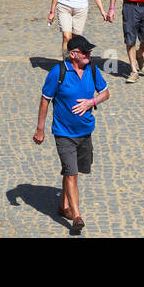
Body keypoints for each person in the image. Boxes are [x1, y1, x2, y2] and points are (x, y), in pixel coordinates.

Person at [34, 34, 110, 235]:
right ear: (73, 54)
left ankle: (62, 206)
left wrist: (91, 102)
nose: (89, 54)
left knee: (72, 172)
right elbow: (45, 100)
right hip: (63, 133)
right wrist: (40, 129)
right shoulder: (57, 72)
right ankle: (76, 216)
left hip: (85, 132)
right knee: (72, 174)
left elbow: (105, 93)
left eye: (89, 51)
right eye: (85, 52)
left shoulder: (92, 69)